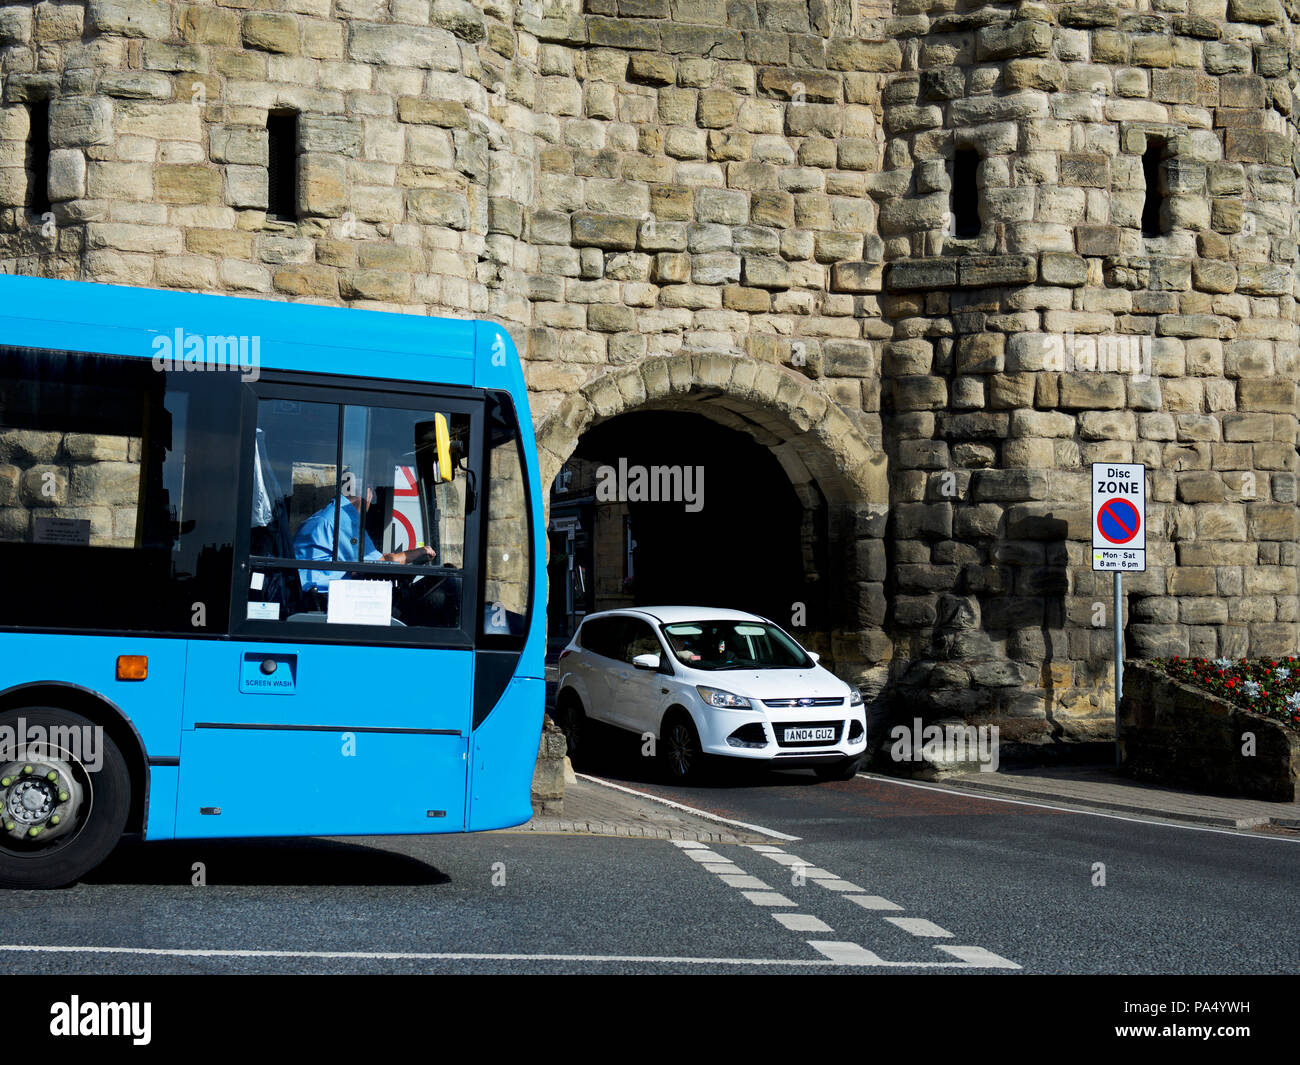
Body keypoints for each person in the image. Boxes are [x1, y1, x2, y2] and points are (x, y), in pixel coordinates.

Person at [293, 487, 435, 596]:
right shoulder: (344, 520)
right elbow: (380, 563)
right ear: (368, 494)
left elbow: (368, 558)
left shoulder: (328, 514)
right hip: (322, 596)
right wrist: (419, 552)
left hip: (308, 590)